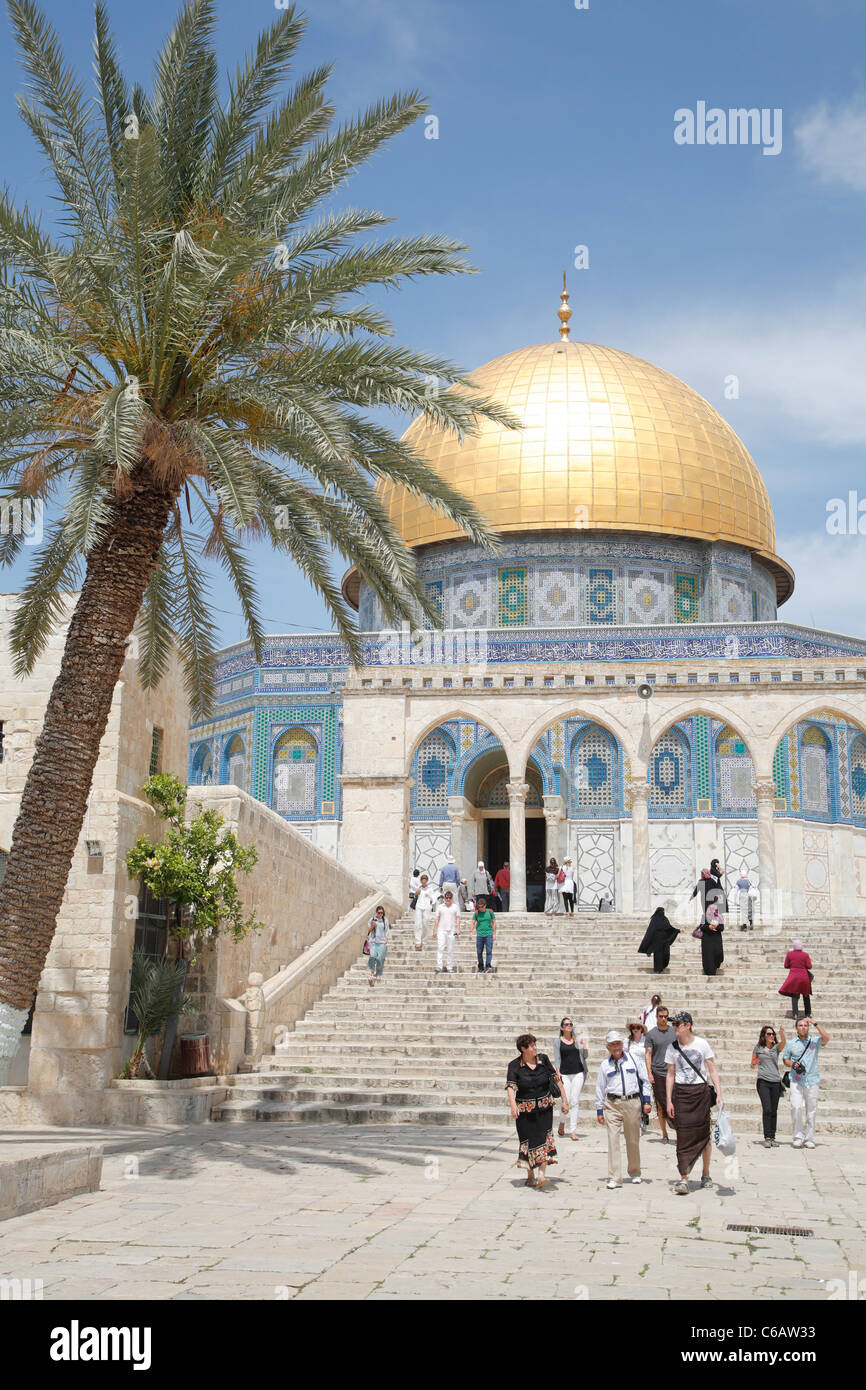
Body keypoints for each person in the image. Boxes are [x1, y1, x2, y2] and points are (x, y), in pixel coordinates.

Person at [665, 1011, 722, 1194]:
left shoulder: (701, 1044)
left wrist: (719, 1093)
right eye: (673, 1024)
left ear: (687, 1025)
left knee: (704, 1134)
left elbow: (711, 1069)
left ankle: (706, 1173)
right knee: (682, 1137)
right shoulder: (672, 1048)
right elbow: (670, 1074)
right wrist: (668, 1101)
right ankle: (684, 1177)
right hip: (681, 1094)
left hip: (699, 1092)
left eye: (677, 1024)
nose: (674, 1027)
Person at [506, 1033, 567, 1188]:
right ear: (523, 1049)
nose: (535, 1048)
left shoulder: (543, 1059)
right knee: (527, 1140)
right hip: (525, 1111)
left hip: (544, 1107)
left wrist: (564, 1100)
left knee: (544, 1138)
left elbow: (555, 1078)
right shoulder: (514, 1065)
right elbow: (511, 1087)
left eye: (535, 1045)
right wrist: (513, 1105)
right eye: (531, 1046)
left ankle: (541, 1174)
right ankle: (530, 1173)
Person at [594, 1030, 652, 1188]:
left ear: (623, 1044)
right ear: (608, 1047)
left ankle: (634, 1171)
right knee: (613, 1140)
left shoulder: (633, 1060)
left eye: (618, 1043)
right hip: (612, 1104)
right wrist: (599, 1110)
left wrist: (646, 1100)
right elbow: (600, 1087)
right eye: (612, 1044)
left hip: (632, 1103)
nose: (616, 1047)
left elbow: (645, 1080)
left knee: (632, 1140)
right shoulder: (605, 1065)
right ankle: (614, 1177)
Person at [782, 1016, 830, 1149]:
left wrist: (815, 1023)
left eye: (805, 1025)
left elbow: (826, 1037)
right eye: (800, 1025)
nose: (803, 1027)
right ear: (796, 1028)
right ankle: (798, 1136)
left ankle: (809, 1138)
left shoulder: (815, 1041)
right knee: (796, 1107)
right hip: (796, 1080)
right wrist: (793, 1064)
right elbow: (785, 1059)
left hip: (812, 1080)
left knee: (811, 1110)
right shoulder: (791, 1043)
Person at [751, 1023, 787, 1147]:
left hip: (775, 1082)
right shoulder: (758, 1048)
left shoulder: (776, 1048)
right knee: (767, 1109)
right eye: (769, 1034)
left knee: (774, 1110)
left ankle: (772, 1137)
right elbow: (753, 1064)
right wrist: (757, 1061)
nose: (771, 1036)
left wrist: (782, 1033)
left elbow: (783, 1043)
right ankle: (767, 1137)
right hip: (763, 1081)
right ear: (764, 1035)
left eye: (773, 1034)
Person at [644, 1004, 675, 1143]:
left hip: (673, 1073)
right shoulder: (651, 1034)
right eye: (661, 1016)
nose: (663, 1019)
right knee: (661, 1105)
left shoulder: (674, 1032)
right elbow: (648, 1054)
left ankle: (679, 1131)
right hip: (658, 1072)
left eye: (666, 1017)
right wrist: (649, 1073)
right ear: (656, 1017)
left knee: (676, 1103)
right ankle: (664, 1134)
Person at [555, 1018, 588, 1140]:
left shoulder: (577, 1040)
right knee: (566, 1100)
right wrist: (557, 1072)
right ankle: (562, 1122)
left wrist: (584, 1047)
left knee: (575, 1101)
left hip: (578, 1073)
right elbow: (557, 1058)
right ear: (562, 1027)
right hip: (565, 1074)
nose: (569, 1026)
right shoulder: (558, 1041)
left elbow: (585, 1056)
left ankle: (573, 1130)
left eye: (570, 1024)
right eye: (566, 1024)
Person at [637, 906, 680, 973]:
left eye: (663, 912)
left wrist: (677, 930)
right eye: (661, 911)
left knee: (665, 954)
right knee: (658, 955)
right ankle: (657, 969)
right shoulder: (654, 919)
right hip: (656, 940)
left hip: (664, 940)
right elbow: (651, 930)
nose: (662, 913)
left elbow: (669, 928)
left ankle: (662, 967)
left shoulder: (665, 919)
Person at [778, 939, 813, 1020]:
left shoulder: (790, 954)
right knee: (806, 995)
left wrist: (793, 965)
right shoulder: (805, 955)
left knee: (795, 995)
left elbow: (786, 965)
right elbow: (809, 966)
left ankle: (795, 1014)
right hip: (804, 977)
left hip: (794, 977)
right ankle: (807, 1013)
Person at [433, 889, 460, 973]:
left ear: (451, 898)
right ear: (444, 898)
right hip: (441, 930)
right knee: (440, 948)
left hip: (451, 931)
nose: (448, 899)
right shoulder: (440, 907)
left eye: (449, 898)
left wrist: (458, 929)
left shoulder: (455, 907)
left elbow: (458, 918)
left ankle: (449, 967)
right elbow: (437, 919)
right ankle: (439, 966)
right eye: (446, 898)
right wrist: (434, 930)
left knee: (450, 949)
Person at [366, 906, 390, 985]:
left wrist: (386, 939)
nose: (380, 914)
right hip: (373, 941)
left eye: (382, 913)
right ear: (376, 912)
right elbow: (368, 931)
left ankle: (378, 973)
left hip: (382, 942)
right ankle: (372, 975)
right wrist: (372, 926)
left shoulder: (385, 920)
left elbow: (387, 930)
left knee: (379, 959)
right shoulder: (372, 919)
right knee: (372, 957)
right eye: (379, 913)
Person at [413, 873, 437, 950]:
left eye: (425, 881)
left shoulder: (430, 888)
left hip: (426, 907)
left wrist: (430, 897)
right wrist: (417, 891)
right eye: (422, 881)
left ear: (426, 881)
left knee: (425, 922)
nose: (423, 883)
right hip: (419, 906)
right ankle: (418, 941)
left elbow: (433, 898)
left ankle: (424, 939)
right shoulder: (419, 887)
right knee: (418, 923)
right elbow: (415, 895)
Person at [473, 894, 496, 973]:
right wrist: (470, 932)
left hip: (488, 934)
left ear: (485, 906)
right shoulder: (476, 913)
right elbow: (473, 922)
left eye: (482, 907)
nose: (480, 908)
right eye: (479, 907)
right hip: (480, 935)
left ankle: (488, 966)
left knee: (489, 951)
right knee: (479, 952)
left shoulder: (490, 912)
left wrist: (494, 933)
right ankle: (481, 966)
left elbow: (493, 922)